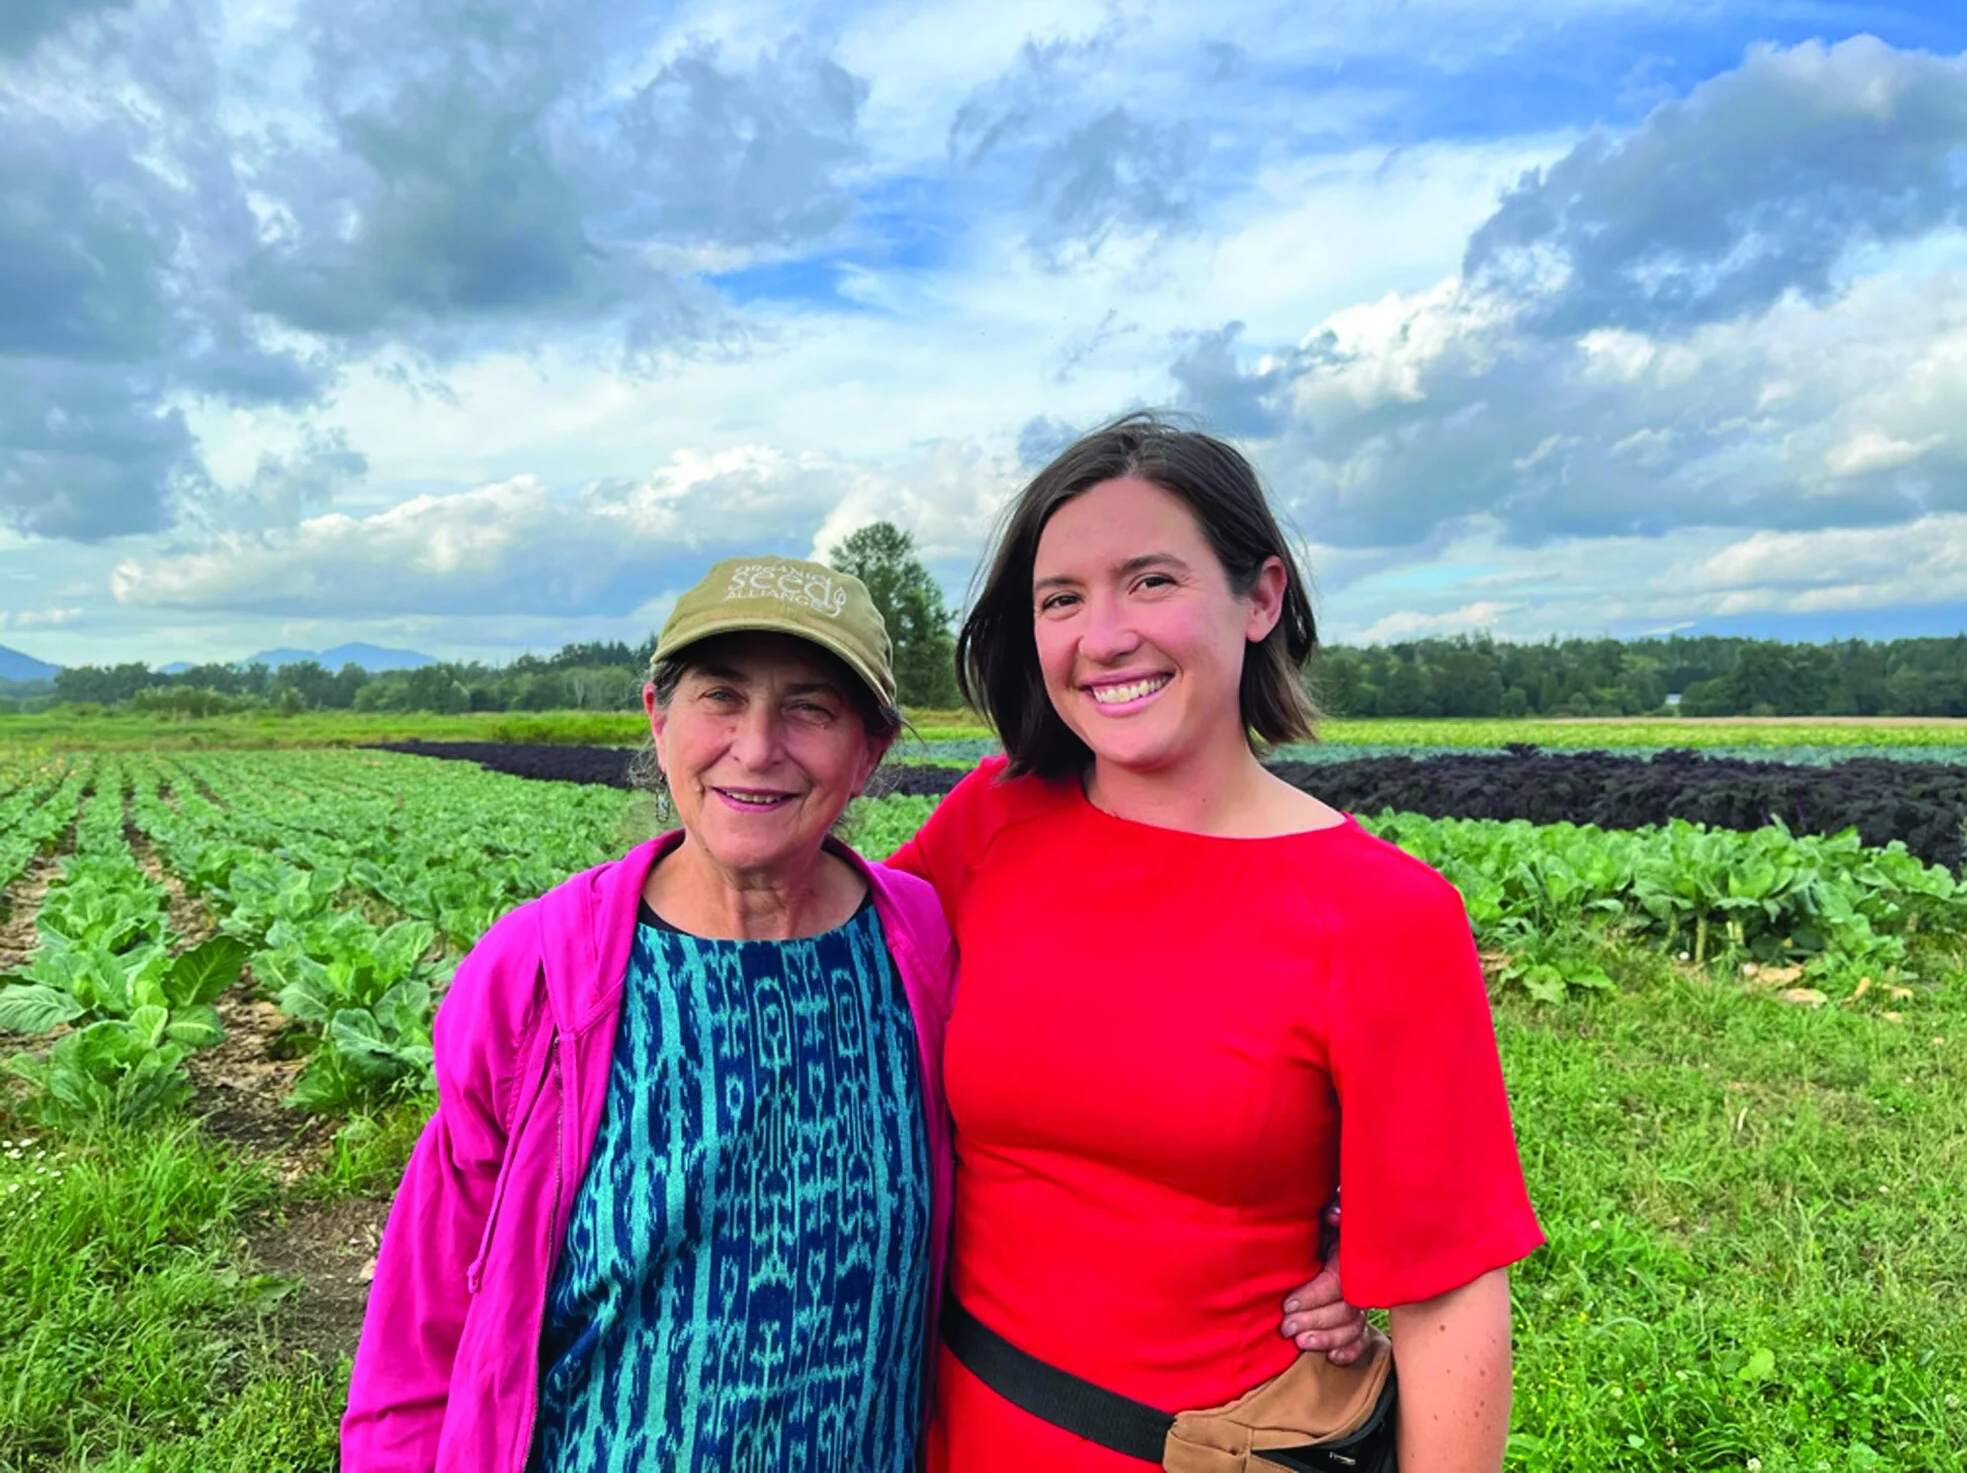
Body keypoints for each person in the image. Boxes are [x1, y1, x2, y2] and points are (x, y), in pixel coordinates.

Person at [887, 415, 1544, 1472]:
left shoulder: (1380, 914)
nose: (1102, 635)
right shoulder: (989, 824)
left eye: (1149, 581)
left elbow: (1451, 1288)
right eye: (1061, 598)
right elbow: (826, 964)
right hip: (953, 1426)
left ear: (1260, 597)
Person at [342, 557, 957, 1472]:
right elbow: (425, 1311)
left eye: (811, 708)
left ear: (869, 751)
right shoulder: (539, 973)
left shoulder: (923, 947)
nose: (756, 747)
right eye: (721, 697)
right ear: (659, 720)